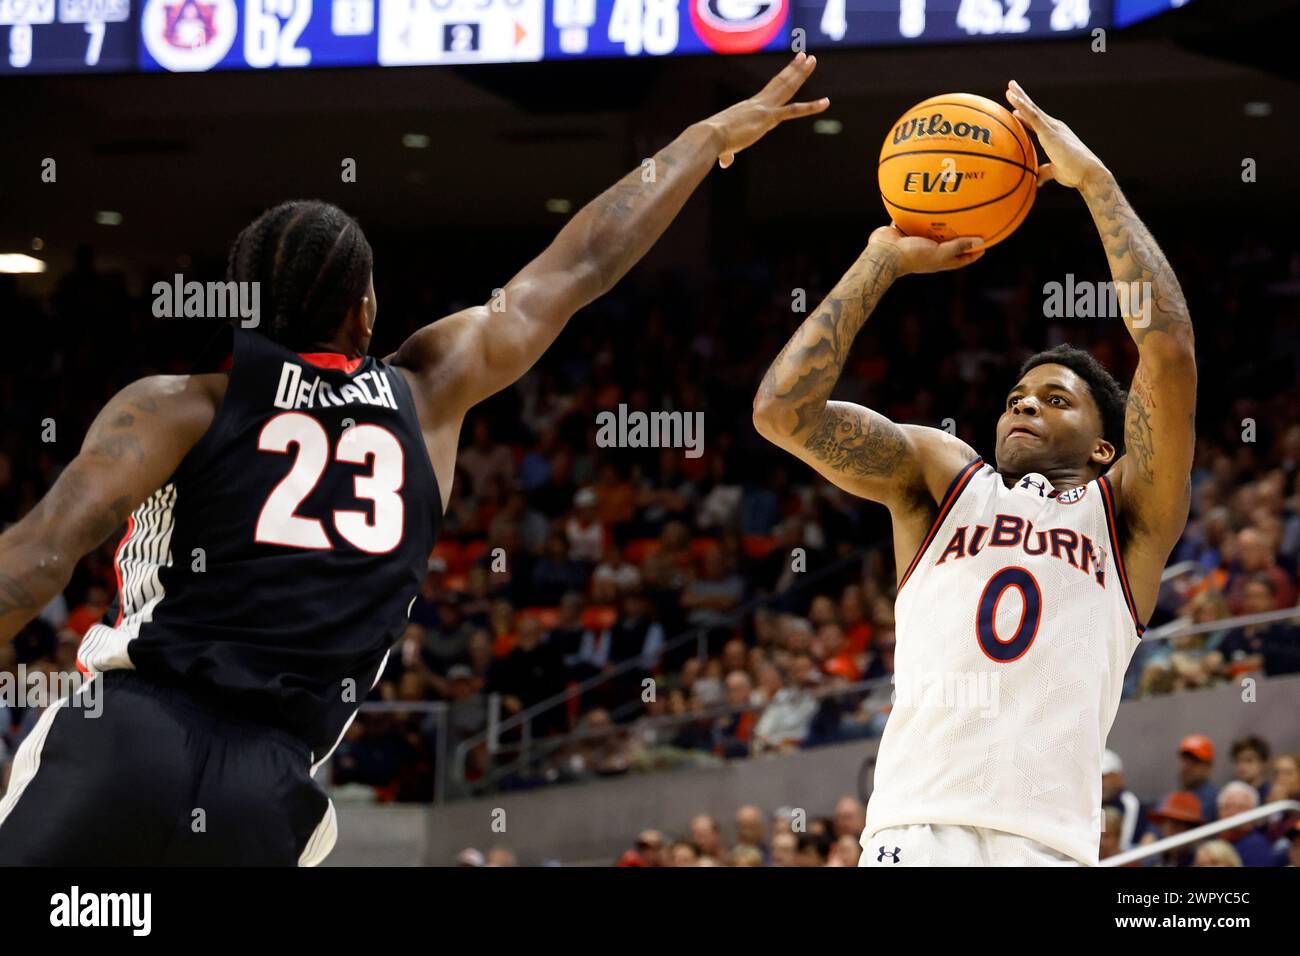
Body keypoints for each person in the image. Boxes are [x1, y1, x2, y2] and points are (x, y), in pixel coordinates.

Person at [0, 55, 830, 866]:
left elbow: (34, 564)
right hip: (268, 789)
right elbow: (579, 265)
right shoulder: (428, 390)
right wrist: (705, 136)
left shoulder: (177, 403)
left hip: (123, 738)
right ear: (366, 311)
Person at [754, 82, 1197, 867]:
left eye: (1054, 399)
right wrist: (880, 260)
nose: (1023, 406)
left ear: (1105, 446)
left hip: (1051, 845)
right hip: (917, 830)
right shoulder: (943, 478)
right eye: (1015, 396)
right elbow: (781, 413)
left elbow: (1166, 350)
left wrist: (1096, 183)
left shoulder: (1127, 515)